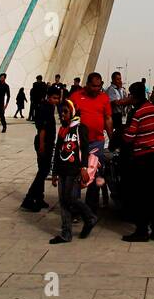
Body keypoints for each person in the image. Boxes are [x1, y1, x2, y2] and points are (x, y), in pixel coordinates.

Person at [121, 80, 154, 241]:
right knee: (152, 192)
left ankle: (141, 231)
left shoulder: (138, 113)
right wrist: (152, 140)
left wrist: (123, 134)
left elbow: (129, 137)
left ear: (133, 96)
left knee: (140, 194)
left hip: (141, 157)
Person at [48, 100, 97, 243]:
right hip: (62, 170)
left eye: (65, 112)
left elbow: (84, 149)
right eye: (61, 112)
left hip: (74, 170)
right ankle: (66, 233)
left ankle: (90, 217)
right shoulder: (62, 130)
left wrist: (83, 168)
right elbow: (57, 151)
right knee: (63, 202)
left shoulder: (80, 128)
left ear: (72, 112)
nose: (62, 115)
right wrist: (54, 172)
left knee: (72, 199)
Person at [68, 72, 112, 213]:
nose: (96, 89)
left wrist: (112, 139)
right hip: (79, 143)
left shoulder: (104, 98)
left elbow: (108, 119)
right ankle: (74, 208)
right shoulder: (75, 97)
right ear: (87, 84)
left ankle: (91, 207)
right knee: (76, 174)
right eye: (94, 86)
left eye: (99, 86)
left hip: (97, 143)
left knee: (96, 174)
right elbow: (68, 118)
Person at [21, 84, 60, 212]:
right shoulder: (46, 108)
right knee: (43, 171)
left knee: (42, 170)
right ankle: (29, 199)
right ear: (48, 97)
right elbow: (42, 129)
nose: (56, 100)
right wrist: (42, 146)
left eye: (58, 98)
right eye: (54, 98)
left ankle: (39, 197)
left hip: (46, 142)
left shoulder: (48, 107)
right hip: (44, 143)